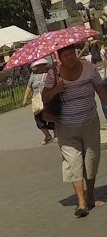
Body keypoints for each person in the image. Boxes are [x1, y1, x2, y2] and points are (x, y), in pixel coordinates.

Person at [41, 44, 107, 217]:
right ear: (59, 58)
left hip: (90, 122)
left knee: (91, 160)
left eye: (72, 53)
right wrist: (56, 89)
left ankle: (90, 195)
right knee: (73, 162)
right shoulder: (52, 74)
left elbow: (102, 93)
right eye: (65, 55)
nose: (69, 57)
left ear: (76, 54)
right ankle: (81, 203)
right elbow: (44, 97)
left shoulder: (89, 69)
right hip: (66, 126)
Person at [28, 60, 55, 145]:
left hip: (48, 98)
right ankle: (47, 135)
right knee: (38, 118)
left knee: (51, 117)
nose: (39, 68)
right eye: (37, 66)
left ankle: (56, 135)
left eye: (40, 65)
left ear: (44, 65)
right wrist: (25, 98)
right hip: (37, 99)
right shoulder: (33, 75)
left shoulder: (49, 73)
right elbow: (29, 86)